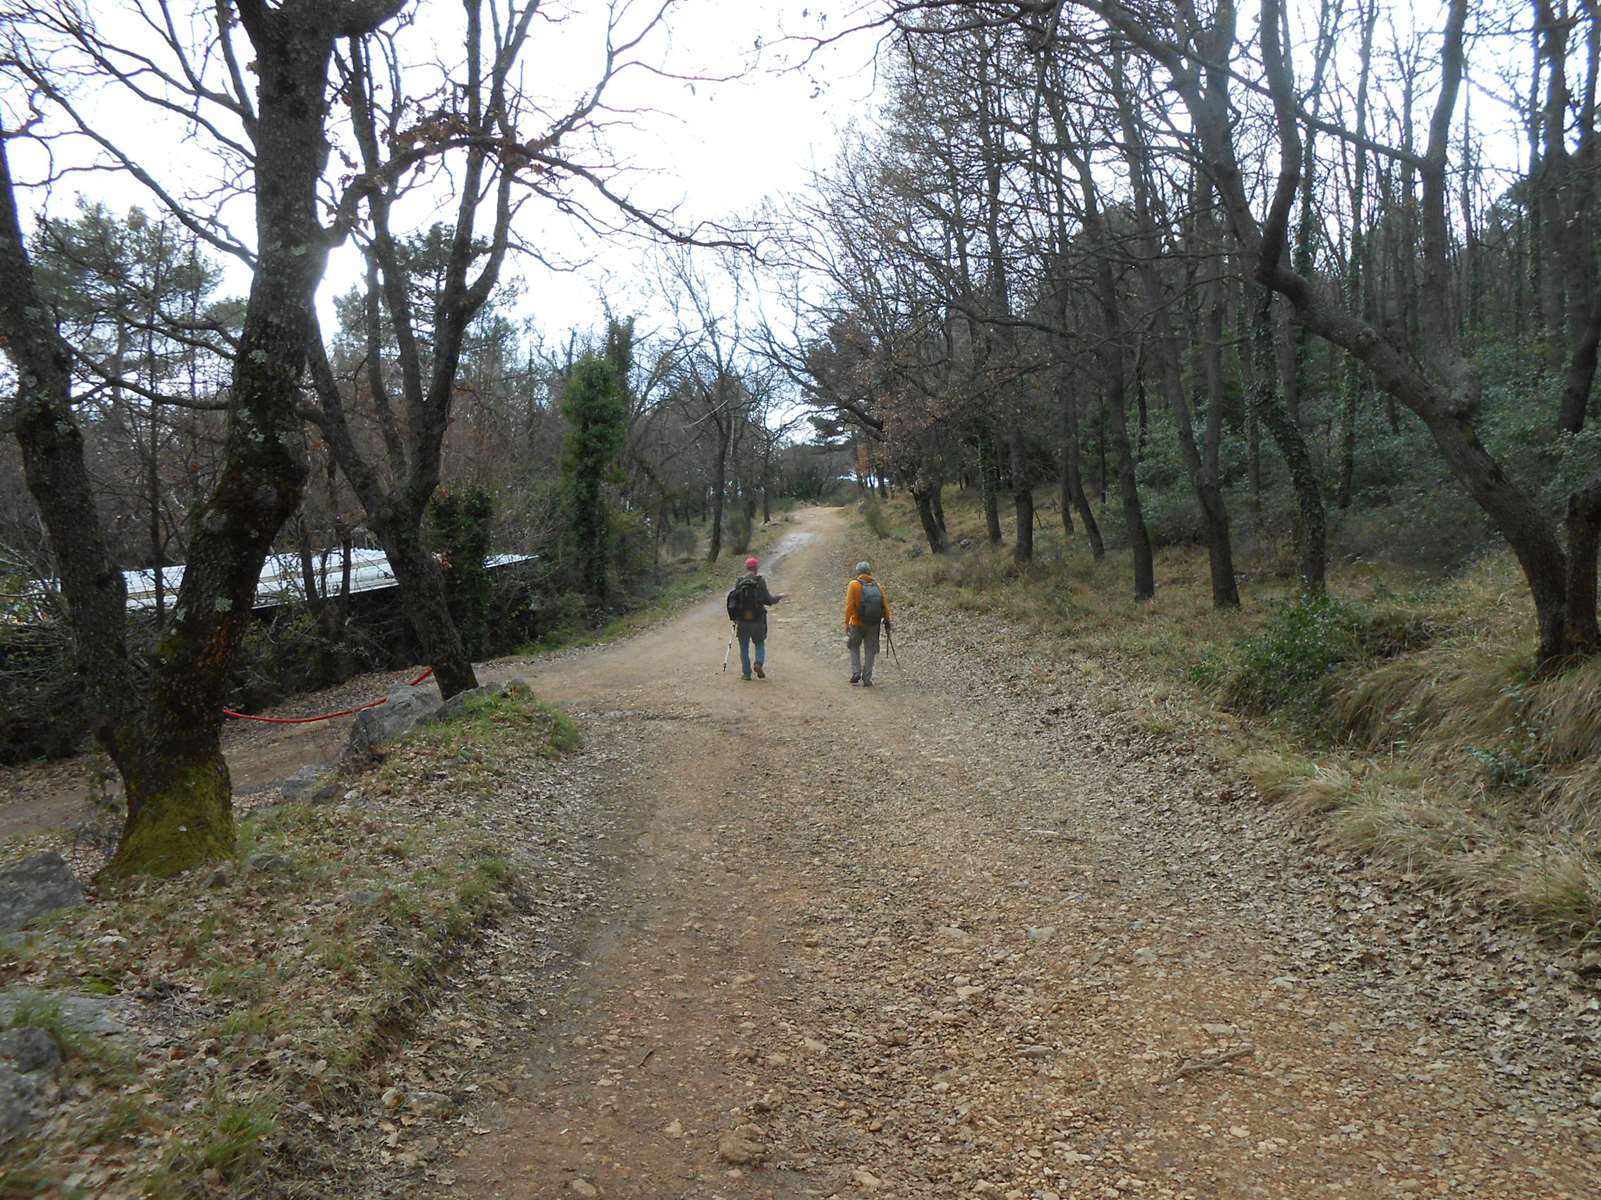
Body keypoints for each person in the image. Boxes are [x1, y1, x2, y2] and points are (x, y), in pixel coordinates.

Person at [728, 556, 785, 681]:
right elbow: (768, 600)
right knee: (759, 643)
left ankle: (746, 673)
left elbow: (735, 600)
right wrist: (779, 597)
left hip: (742, 620)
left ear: (746, 568)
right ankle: (758, 663)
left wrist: (735, 617)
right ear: (756, 568)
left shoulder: (739, 581)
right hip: (758, 619)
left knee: (744, 646)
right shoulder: (760, 581)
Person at [843, 560, 892, 687]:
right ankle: (867, 678)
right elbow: (886, 606)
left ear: (858, 572)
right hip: (874, 624)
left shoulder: (853, 584)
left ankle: (856, 672)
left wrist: (846, 623)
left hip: (857, 622)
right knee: (870, 650)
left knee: (853, 646)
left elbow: (849, 606)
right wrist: (887, 621)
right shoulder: (878, 586)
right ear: (869, 571)